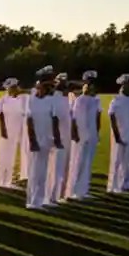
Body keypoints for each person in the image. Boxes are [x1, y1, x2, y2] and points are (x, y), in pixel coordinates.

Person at [24, 66, 62, 209]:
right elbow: (29, 121)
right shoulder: (32, 100)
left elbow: (54, 121)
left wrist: (56, 139)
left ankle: (40, 199)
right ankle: (32, 201)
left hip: (47, 139)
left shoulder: (51, 100)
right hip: (36, 140)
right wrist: (33, 141)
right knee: (35, 171)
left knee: (44, 171)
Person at [67, 70, 101, 199]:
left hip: (91, 134)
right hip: (80, 135)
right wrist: (74, 133)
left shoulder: (96, 100)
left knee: (87, 162)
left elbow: (97, 117)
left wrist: (96, 133)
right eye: (88, 84)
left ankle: (83, 190)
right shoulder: (79, 100)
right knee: (77, 162)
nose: (91, 86)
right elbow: (74, 119)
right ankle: (73, 191)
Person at [106, 74, 129, 193]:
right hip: (119, 133)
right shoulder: (116, 99)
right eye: (127, 84)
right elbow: (112, 117)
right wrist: (116, 134)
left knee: (127, 159)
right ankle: (112, 186)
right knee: (116, 159)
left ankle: (123, 183)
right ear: (122, 86)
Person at [46, 72, 73, 204]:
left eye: (65, 82)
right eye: (61, 82)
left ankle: (59, 195)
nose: (64, 84)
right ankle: (51, 197)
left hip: (66, 137)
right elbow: (54, 119)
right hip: (59, 138)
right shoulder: (55, 98)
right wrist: (57, 139)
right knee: (56, 168)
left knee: (63, 167)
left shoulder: (66, 97)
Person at [0, 78, 26, 189]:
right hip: (6, 131)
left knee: (12, 157)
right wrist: (3, 129)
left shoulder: (22, 99)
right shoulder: (4, 99)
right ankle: (1, 181)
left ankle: (8, 181)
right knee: (4, 157)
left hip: (17, 131)